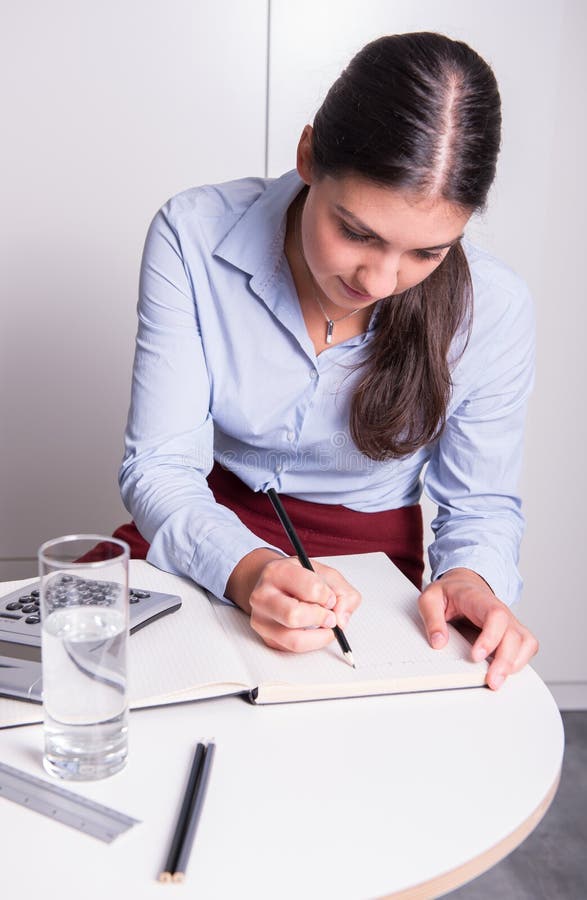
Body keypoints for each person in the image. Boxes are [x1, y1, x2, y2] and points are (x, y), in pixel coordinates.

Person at [118, 31, 539, 690]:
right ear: (308, 155)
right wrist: (247, 567)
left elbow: (479, 503)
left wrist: (468, 578)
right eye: (356, 233)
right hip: (202, 523)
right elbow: (161, 467)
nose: (378, 281)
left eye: (427, 253)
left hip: (370, 558)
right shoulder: (193, 233)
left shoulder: (495, 308)